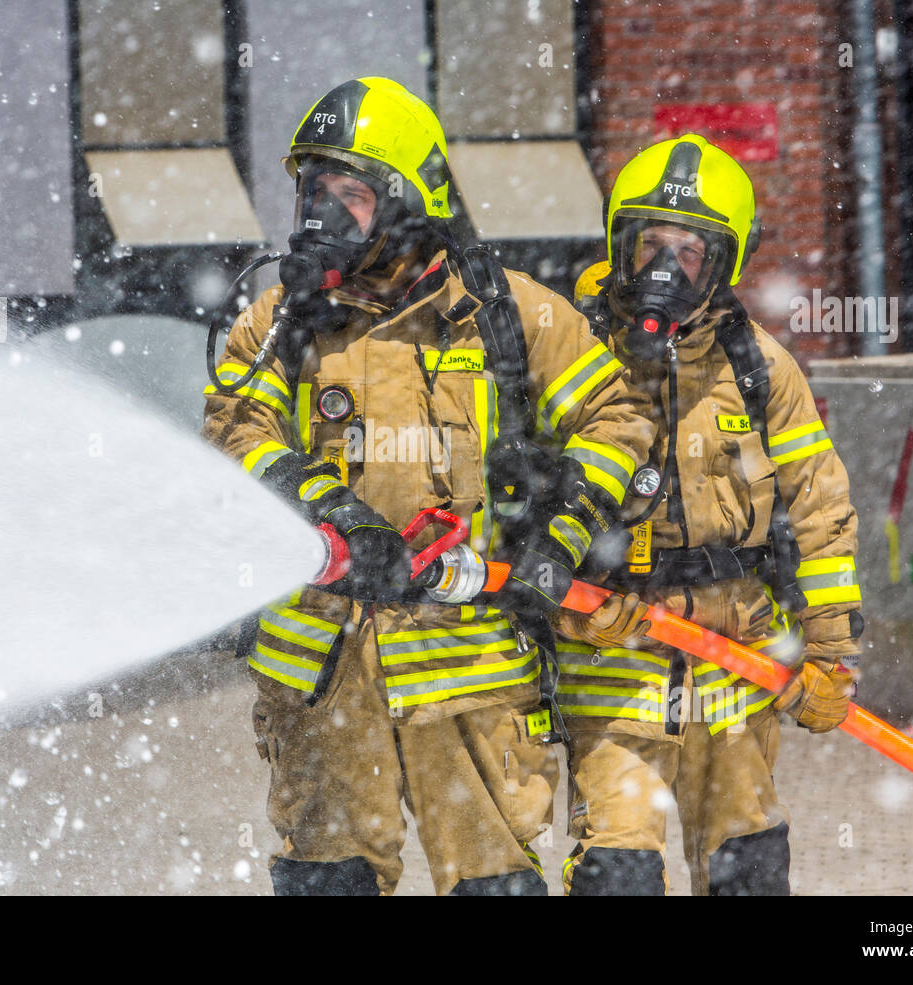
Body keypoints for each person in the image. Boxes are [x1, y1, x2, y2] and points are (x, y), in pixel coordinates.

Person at [201, 77, 653, 896]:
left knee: (493, 888)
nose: (321, 216)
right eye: (313, 191)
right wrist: (336, 517)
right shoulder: (277, 322)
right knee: (325, 884)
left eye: (351, 194)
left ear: (410, 204)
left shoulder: (507, 314)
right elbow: (236, 437)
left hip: (471, 673)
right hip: (322, 678)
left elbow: (616, 416)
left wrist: (560, 533)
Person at [553, 133, 863, 896]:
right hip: (616, 655)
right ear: (617, 244)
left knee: (747, 865)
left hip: (739, 662)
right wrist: (568, 608)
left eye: (689, 251)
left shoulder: (759, 367)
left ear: (724, 262)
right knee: (617, 869)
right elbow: (524, 508)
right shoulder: (572, 356)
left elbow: (819, 505)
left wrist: (828, 652)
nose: (664, 267)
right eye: (649, 242)